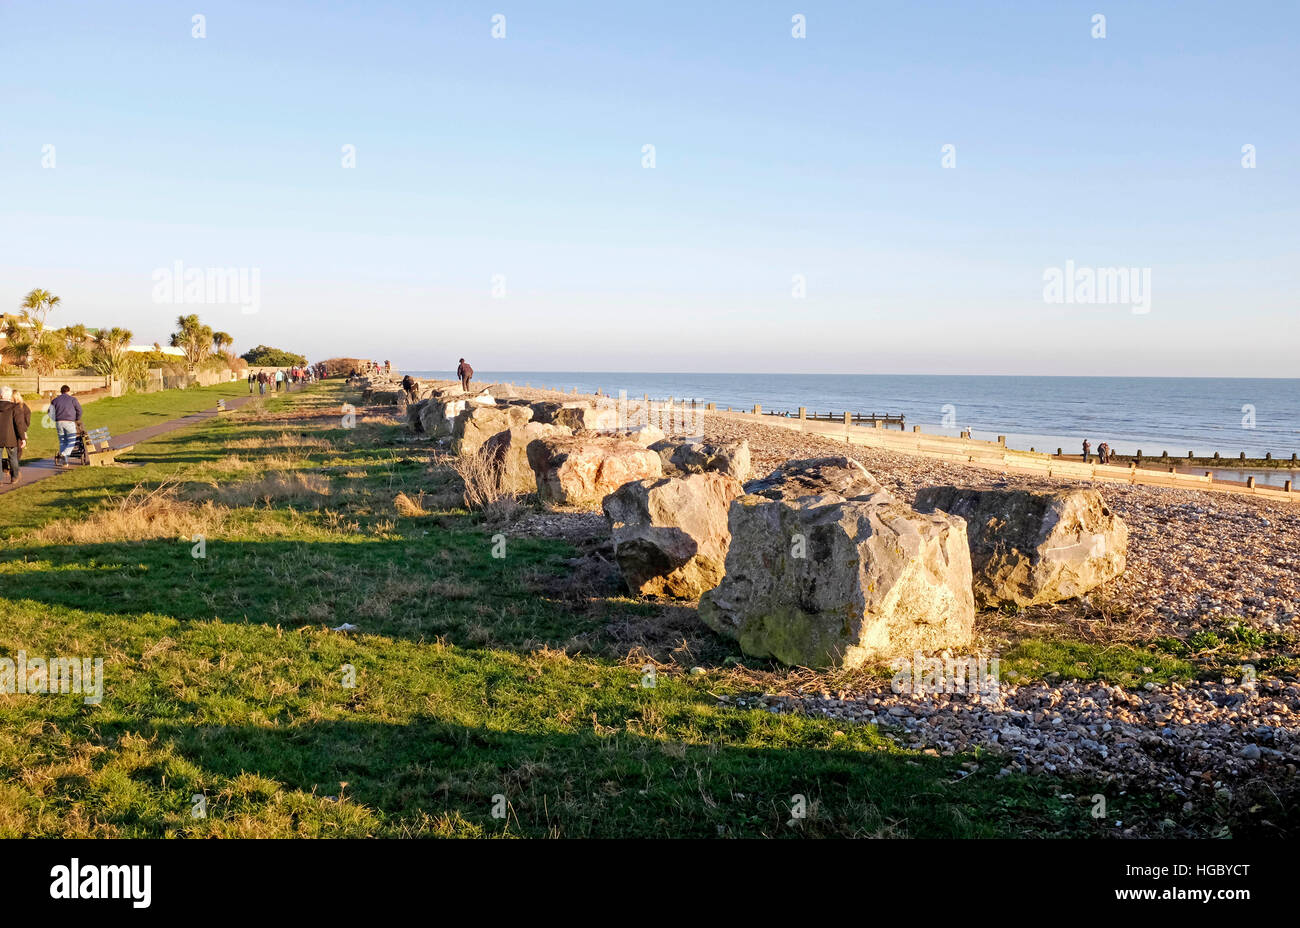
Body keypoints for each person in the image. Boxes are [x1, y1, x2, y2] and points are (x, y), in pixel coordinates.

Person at [49, 384, 83, 467]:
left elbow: (50, 412)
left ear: (61, 392)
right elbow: (79, 410)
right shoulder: (73, 399)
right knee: (71, 441)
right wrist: (76, 418)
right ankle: (64, 454)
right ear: (68, 391)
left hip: (59, 423)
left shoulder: (55, 400)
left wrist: (55, 419)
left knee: (62, 442)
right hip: (69, 422)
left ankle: (65, 462)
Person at [0, 386, 26, 484]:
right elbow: (18, 423)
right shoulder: (15, 407)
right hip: (11, 437)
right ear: (10, 396)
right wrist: (22, 438)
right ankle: (14, 477)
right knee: (13, 458)